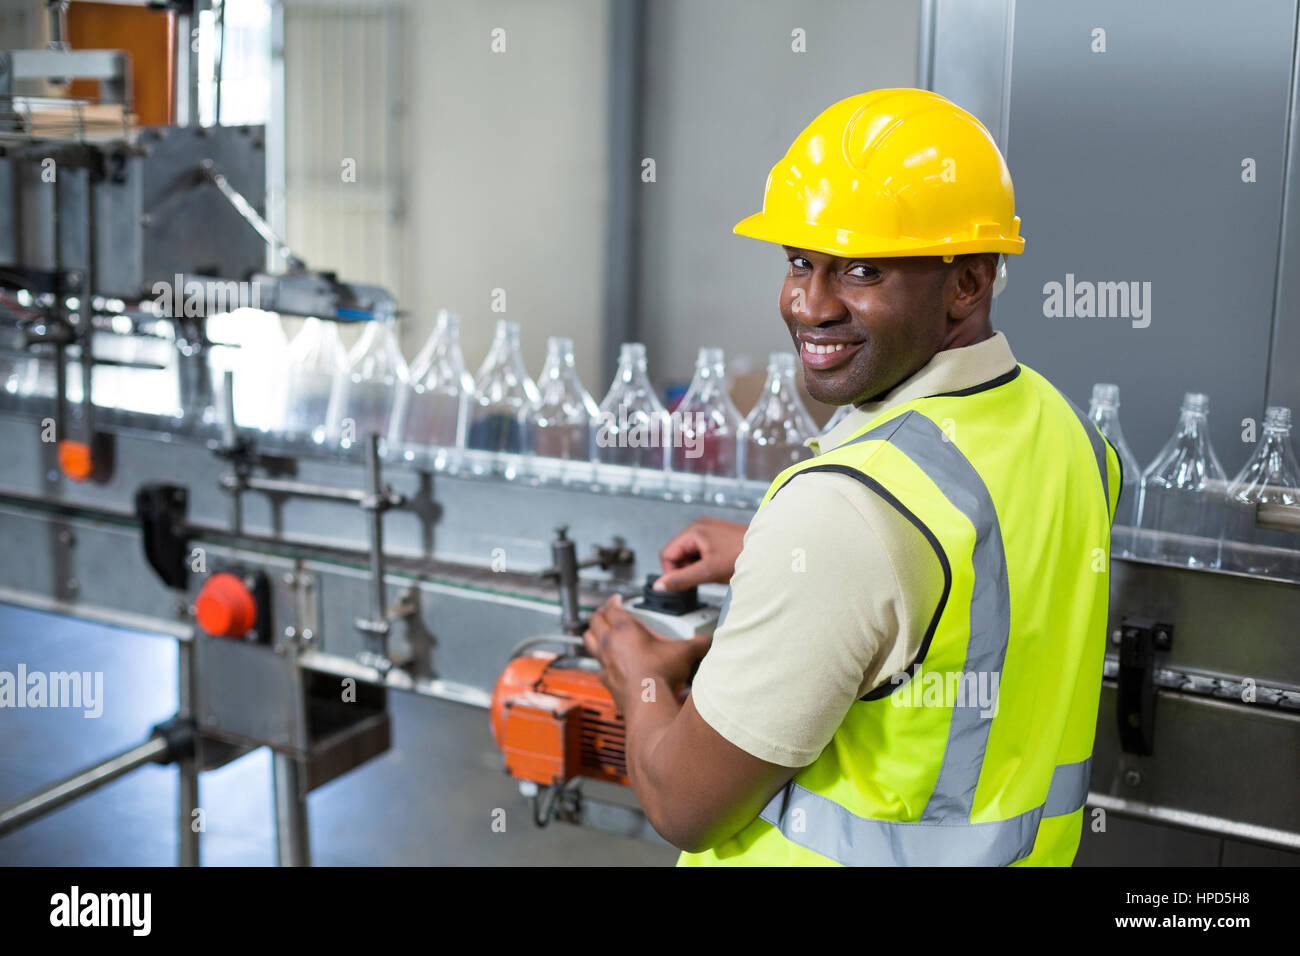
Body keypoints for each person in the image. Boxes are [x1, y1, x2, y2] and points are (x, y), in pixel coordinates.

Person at [582, 89, 1120, 866]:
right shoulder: (1075, 436)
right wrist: (781, 553)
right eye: (800, 261)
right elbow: (986, 568)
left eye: (861, 269)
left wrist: (637, 673)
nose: (810, 303)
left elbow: (679, 803)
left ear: (967, 283)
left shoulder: (845, 518)